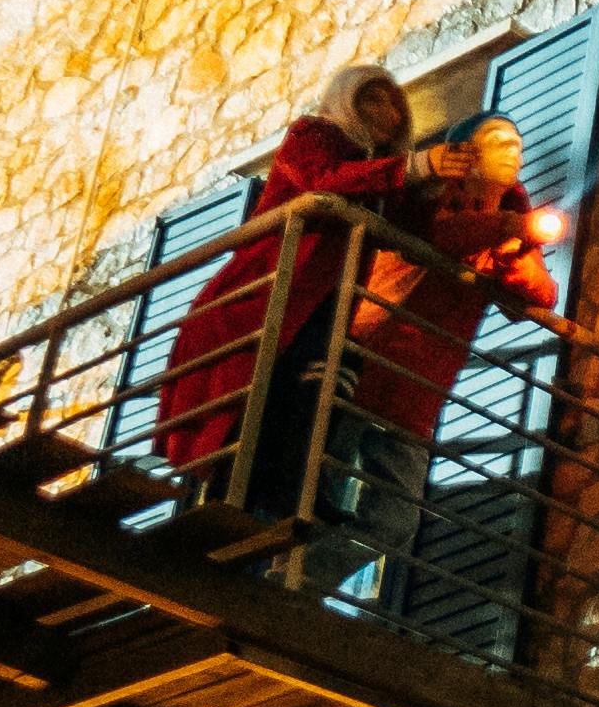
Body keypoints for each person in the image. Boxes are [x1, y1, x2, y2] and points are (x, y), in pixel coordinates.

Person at [155, 60, 421, 531]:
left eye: (395, 104)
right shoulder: (313, 134)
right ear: (347, 99)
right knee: (262, 395)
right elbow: (322, 179)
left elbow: (414, 229)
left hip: (320, 301)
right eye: (375, 98)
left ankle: (295, 490)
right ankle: (246, 501)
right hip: (269, 293)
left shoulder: (378, 178)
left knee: (316, 384)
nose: (391, 113)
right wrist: (412, 168)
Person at [330, 114, 565, 594]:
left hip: (416, 393)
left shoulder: (510, 216)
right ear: (466, 150)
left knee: (395, 520)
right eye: (496, 139)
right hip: (361, 362)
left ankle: (302, 581)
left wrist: (514, 248)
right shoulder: (429, 194)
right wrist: (510, 227)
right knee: (316, 492)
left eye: (517, 143)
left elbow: (539, 295)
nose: (513, 149)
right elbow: (434, 236)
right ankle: (274, 580)